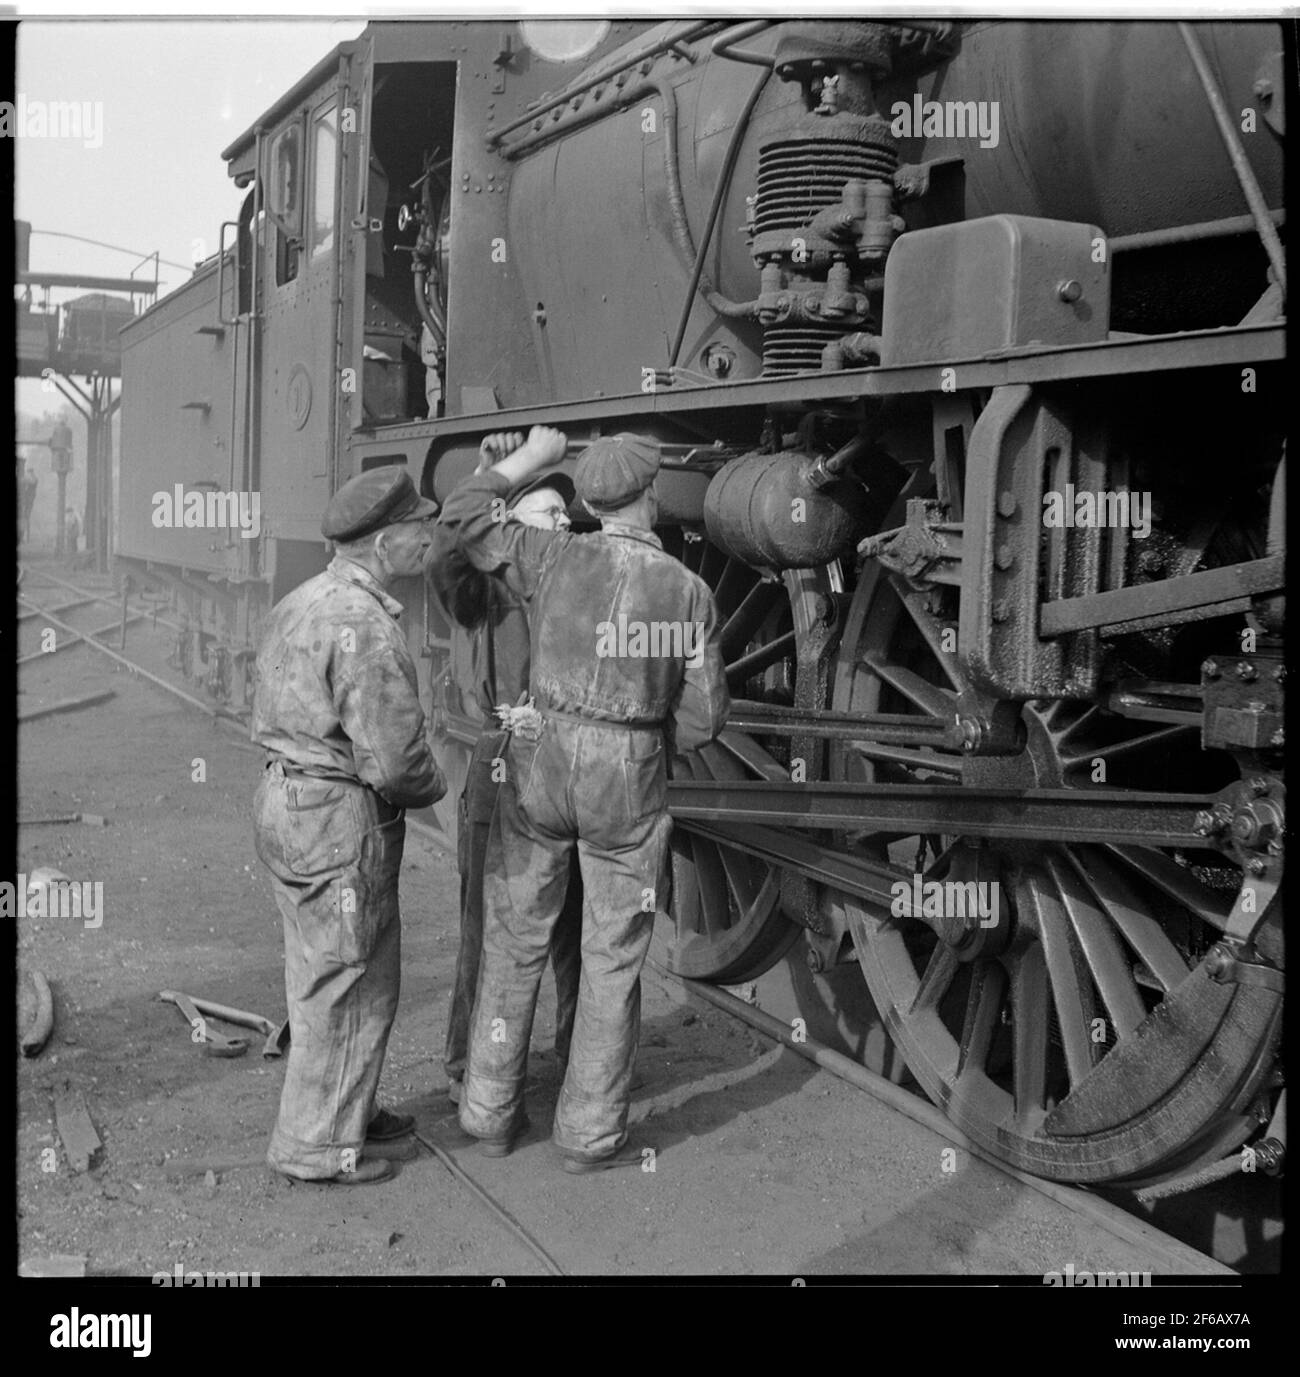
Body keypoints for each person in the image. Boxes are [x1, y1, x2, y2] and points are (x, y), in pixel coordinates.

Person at [440, 428, 730, 1172]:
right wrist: (640, 734)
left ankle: (490, 1110)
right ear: (650, 496)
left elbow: (463, 513)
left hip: (543, 759)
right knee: (613, 955)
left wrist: (531, 458)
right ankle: (590, 1132)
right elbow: (704, 718)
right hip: (626, 775)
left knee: (513, 936)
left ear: (591, 500)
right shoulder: (685, 589)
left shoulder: (550, 554)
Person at [252, 467, 446, 1186]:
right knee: (349, 976)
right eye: (418, 527)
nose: (428, 536)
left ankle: (347, 1109)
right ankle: (314, 1145)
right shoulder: (363, 624)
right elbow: (396, 762)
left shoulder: (303, 599)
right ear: (383, 540)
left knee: (328, 964)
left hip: (284, 799)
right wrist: (439, 784)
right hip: (334, 816)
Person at [426, 462, 583, 1108]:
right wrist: (501, 469)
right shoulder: (481, 590)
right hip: (500, 765)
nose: (564, 525)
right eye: (549, 516)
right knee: (486, 925)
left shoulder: (575, 584)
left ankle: (574, 1058)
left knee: (573, 925)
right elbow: (449, 535)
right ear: (510, 530)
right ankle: (472, 1062)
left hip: (565, 767)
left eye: (567, 518)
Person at [17, 459, 37, 542]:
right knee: (24, 517)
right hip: (26, 500)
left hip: (27, 500)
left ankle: (22, 536)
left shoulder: (32, 479)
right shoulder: (30, 478)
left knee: (24, 517)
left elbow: (30, 481)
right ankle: (22, 536)